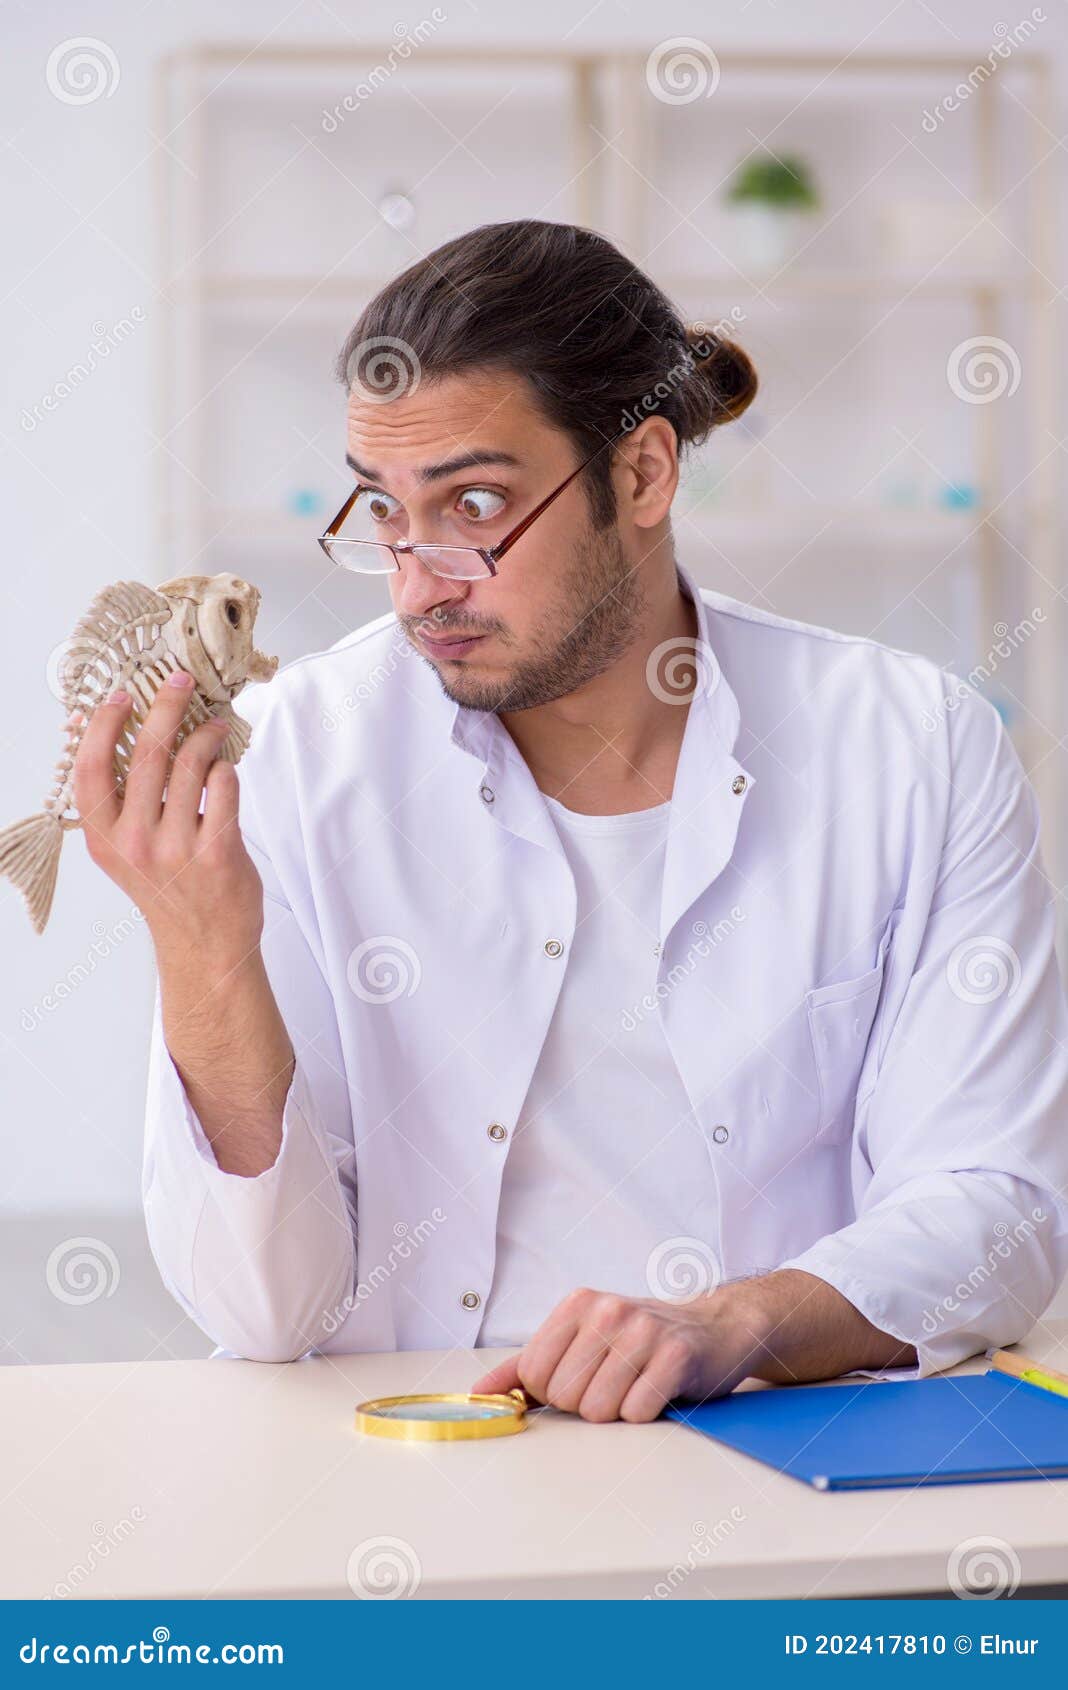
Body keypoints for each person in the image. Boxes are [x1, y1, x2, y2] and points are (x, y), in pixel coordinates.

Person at [77, 219, 1068, 1423]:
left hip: (769, 1444)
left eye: (474, 504)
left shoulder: (911, 746)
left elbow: (998, 1209)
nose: (418, 581)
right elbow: (262, 1314)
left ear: (643, 473)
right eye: (384, 512)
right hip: (404, 1466)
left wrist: (736, 1322)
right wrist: (202, 954)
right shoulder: (298, 753)